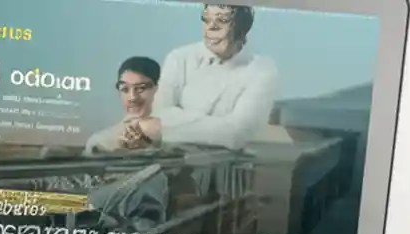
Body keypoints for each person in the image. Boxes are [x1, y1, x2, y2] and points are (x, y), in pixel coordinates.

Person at [154, 4, 279, 151]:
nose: (211, 27)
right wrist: (219, 126)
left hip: (228, 168)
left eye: (222, 20)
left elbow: (236, 134)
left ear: (241, 28)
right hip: (171, 161)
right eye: (206, 19)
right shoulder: (179, 58)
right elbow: (157, 118)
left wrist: (175, 122)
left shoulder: (262, 70)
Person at [84, 56, 164, 155]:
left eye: (141, 88)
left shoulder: (175, 136)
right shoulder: (100, 143)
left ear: (158, 89)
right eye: (125, 89)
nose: (132, 97)